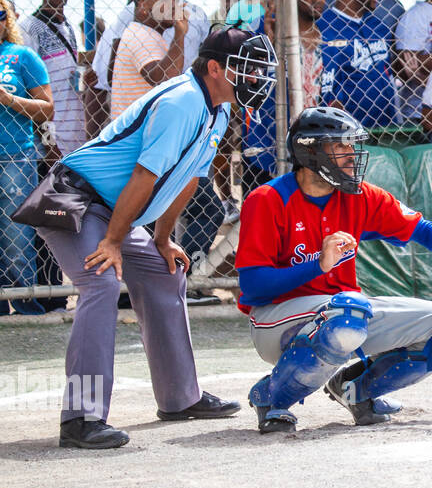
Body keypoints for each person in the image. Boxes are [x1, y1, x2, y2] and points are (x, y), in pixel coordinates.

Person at [30, 28, 277, 448]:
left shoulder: (217, 110)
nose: (254, 80)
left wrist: (162, 240)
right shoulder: (182, 101)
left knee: (166, 274)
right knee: (100, 283)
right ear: (215, 68)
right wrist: (112, 241)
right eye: (246, 71)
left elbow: (184, 181)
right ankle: (81, 418)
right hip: (74, 199)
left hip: (114, 210)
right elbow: (145, 175)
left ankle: (181, 398)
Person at [234, 107, 432, 434]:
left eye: (352, 145)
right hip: (275, 321)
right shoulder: (268, 199)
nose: (351, 154)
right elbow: (254, 287)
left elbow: (422, 229)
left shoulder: (358, 196)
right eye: (340, 146)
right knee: (347, 314)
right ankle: (271, 397)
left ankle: (357, 389)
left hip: (343, 312)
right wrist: (318, 265)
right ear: (309, 150)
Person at [92, 0, 211, 106]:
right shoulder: (132, 13)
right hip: (143, 107)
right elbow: (101, 80)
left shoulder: (197, 14)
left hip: (185, 106)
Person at [242, 0, 327, 193]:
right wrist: (270, 39)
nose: (318, 0)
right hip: (268, 143)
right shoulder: (266, 31)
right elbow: (250, 82)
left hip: (314, 145)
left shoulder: (329, 35)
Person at [0, 0, 54, 316]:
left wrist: (9, 100)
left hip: (14, 157)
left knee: (16, 237)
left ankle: (25, 308)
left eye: (0, 14)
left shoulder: (23, 57)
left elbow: (47, 109)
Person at [20, 0, 87, 158]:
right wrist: (49, 145)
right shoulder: (30, 28)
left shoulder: (68, 27)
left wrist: (84, 78)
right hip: (52, 140)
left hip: (76, 133)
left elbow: (72, 82)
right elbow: (31, 91)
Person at [317, 0, 397, 127]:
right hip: (348, 131)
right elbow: (326, 89)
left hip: (387, 126)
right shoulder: (326, 29)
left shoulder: (378, 25)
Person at [109, 0, 188, 119]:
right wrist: (179, 34)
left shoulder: (148, 34)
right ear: (143, 6)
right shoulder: (140, 35)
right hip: (136, 137)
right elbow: (165, 78)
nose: (173, 5)